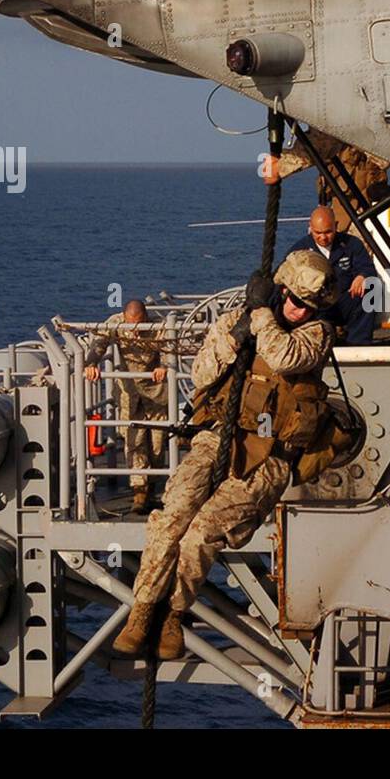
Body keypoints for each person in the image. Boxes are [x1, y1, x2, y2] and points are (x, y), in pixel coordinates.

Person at [112, 251, 342, 660]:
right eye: (293, 299)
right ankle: (144, 610)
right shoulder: (244, 320)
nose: (298, 310)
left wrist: (261, 317)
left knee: (202, 532)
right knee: (172, 518)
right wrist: (236, 333)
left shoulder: (316, 334)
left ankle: (175, 615)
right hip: (217, 437)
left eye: (307, 306)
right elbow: (201, 373)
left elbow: (284, 357)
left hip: (272, 455)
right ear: (281, 290)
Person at [84, 299, 169, 514]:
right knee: (134, 440)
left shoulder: (158, 326)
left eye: (139, 325)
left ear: (146, 318)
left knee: (157, 443)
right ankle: (139, 492)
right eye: (131, 325)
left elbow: (170, 349)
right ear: (124, 317)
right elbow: (99, 344)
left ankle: (153, 486)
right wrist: (91, 363)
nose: (135, 331)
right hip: (129, 393)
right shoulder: (116, 323)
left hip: (155, 392)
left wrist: (163, 366)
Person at [279, 128, 390, 239]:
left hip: (360, 203)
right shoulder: (337, 137)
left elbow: (383, 162)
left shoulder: (367, 137)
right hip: (344, 202)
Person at [289, 205, 378, 345]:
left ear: (336, 226)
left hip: (345, 300)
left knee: (372, 289)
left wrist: (362, 276)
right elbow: (283, 276)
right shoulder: (300, 251)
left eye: (328, 232)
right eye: (318, 232)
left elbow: (368, 268)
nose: (323, 237)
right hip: (316, 307)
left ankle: (359, 344)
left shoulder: (351, 244)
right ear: (310, 228)